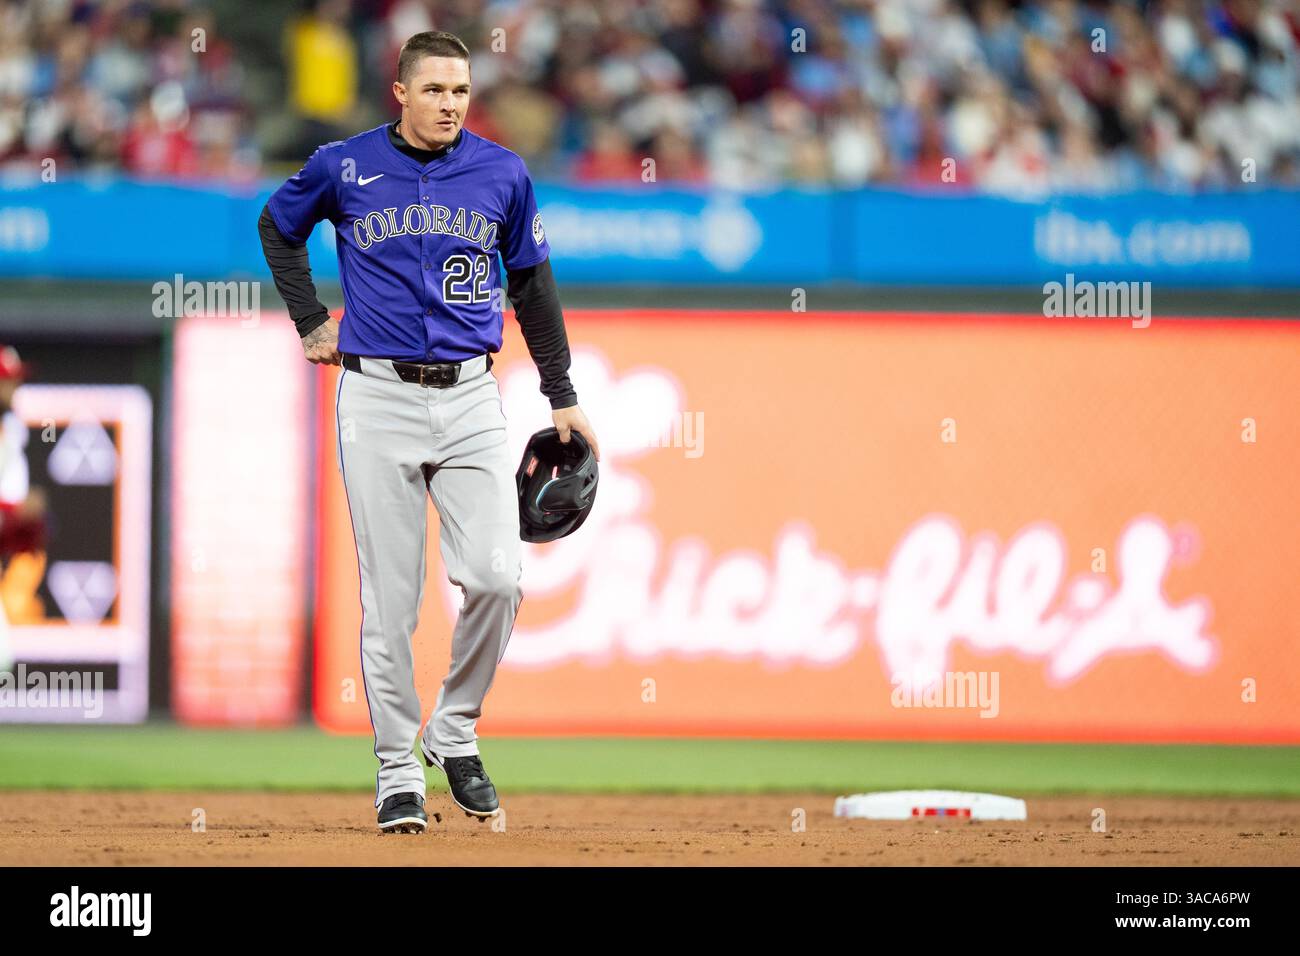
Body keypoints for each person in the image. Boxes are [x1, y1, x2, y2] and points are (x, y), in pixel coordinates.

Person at [258, 31, 600, 834]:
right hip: (376, 396)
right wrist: (311, 319)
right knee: (392, 601)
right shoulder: (344, 165)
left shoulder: (502, 172)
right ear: (401, 93)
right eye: (437, 89)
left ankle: (453, 730)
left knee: (497, 578)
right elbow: (279, 226)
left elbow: (533, 287)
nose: (451, 103)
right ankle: (395, 772)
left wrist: (562, 393)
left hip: (472, 393)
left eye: (461, 90)